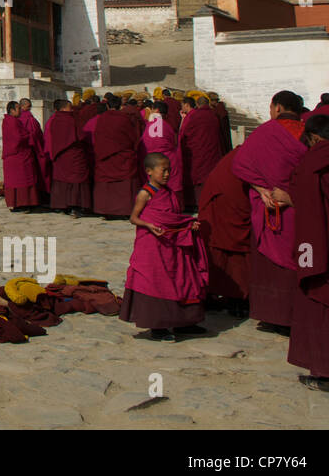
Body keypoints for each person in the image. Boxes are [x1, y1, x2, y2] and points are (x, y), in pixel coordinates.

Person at [287, 115, 329, 392]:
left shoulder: (315, 165)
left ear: (315, 138)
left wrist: (306, 256)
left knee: (326, 309)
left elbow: (312, 210)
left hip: (325, 249)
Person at [231, 90, 308, 334]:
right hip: (304, 209)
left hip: (272, 208)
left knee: (273, 264)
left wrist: (260, 188)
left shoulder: (265, 132)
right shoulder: (310, 133)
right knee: (305, 260)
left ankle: (275, 315)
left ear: (276, 107)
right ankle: (304, 313)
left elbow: (241, 164)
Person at [120, 152, 207, 341]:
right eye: (163, 170)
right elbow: (134, 218)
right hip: (152, 246)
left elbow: (174, 218)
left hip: (173, 245)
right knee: (156, 282)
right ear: (149, 172)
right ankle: (158, 327)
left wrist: (188, 225)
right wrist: (149, 225)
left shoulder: (170, 193)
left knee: (180, 279)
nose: (167, 174)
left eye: (169, 170)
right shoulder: (145, 194)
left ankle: (183, 322)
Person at [196, 148, 253, 315]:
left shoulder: (257, 149)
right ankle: (235, 296)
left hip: (231, 194)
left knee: (224, 242)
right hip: (227, 197)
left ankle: (226, 294)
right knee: (229, 245)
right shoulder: (254, 152)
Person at [89, 95, 143, 217]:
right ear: (120, 106)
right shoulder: (124, 118)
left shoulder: (102, 118)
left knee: (106, 182)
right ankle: (125, 210)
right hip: (123, 155)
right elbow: (132, 137)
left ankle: (106, 210)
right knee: (124, 182)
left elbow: (98, 136)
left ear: (107, 105)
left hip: (105, 156)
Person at [45, 99, 91, 216]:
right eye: (70, 107)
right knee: (76, 179)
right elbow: (81, 136)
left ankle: (61, 205)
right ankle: (75, 205)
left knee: (61, 180)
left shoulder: (54, 120)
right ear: (64, 109)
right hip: (74, 154)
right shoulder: (71, 120)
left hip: (60, 155)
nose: (71, 110)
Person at [179, 96, 225, 207]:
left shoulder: (194, 116)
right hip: (212, 150)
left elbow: (184, 133)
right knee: (209, 175)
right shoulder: (214, 115)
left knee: (197, 176)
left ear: (198, 105)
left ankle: (195, 202)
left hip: (197, 151)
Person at [141, 103, 184, 210]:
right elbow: (173, 143)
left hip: (152, 159)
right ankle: (173, 207)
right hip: (167, 157)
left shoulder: (148, 125)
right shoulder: (166, 125)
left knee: (154, 183)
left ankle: (157, 207)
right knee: (171, 183)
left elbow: (144, 142)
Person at [0, 101, 39, 211]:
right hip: (18, 155)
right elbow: (18, 138)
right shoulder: (12, 122)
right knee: (22, 180)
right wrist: (29, 135)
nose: (20, 111)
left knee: (15, 181)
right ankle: (24, 204)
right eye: (18, 108)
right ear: (11, 110)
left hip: (13, 156)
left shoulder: (8, 121)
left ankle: (18, 204)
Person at [17, 98, 51, 194]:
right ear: (22, 106)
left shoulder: (19, 118)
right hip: (34, 147)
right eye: (28, 106)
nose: (29, 108)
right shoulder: (29, 118)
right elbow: (37, 134)